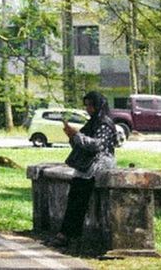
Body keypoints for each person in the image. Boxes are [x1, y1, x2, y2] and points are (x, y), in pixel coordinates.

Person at [51, 90, 118, 249]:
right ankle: (66, 234)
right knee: (74, 197)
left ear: (98, 105)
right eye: (86, 105)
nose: (88, 109)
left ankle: (67, 235)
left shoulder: (105, 123)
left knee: (80, 199)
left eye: (91, 105)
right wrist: (72, 136)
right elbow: (81, 145)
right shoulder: (92, 122)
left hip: (99, 165)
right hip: (86, 167)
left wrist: (77, 135)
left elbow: (97, 145)